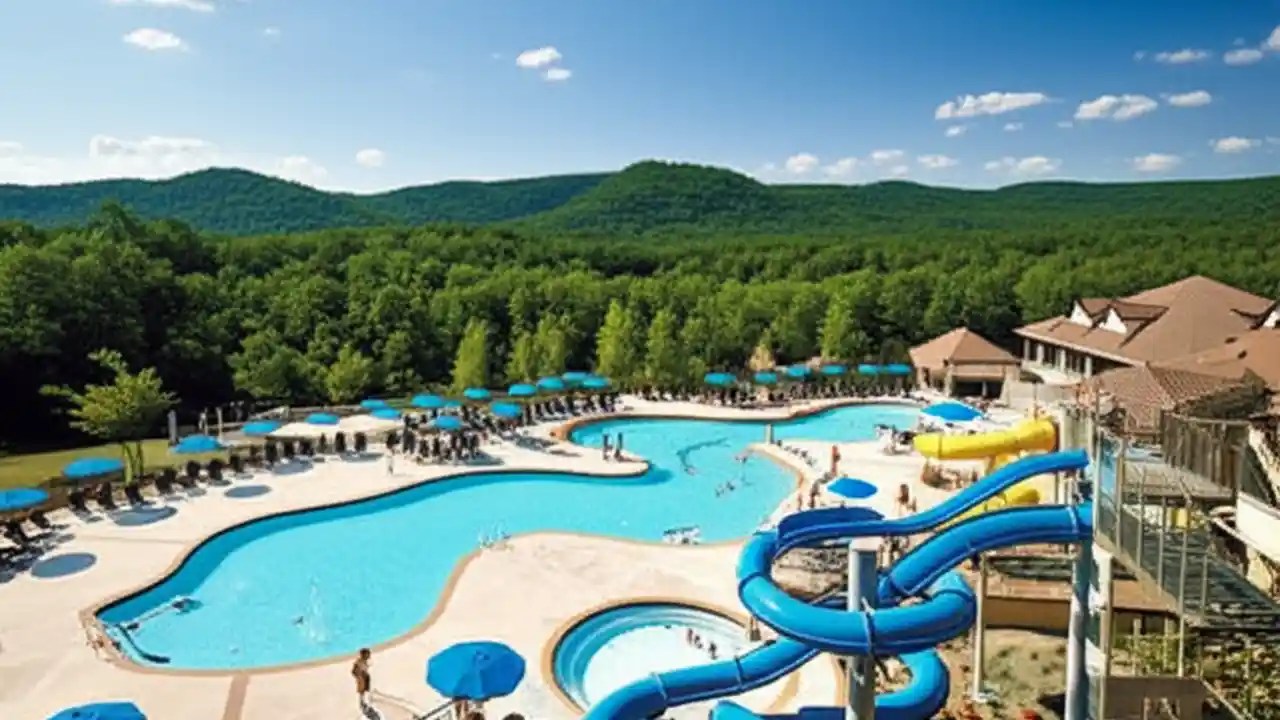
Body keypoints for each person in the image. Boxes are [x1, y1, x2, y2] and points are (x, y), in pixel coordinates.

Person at [352, 648, 373, 713]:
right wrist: (358, 676)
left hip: (366, 677)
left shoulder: (365, 661)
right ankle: (363, 703)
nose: (369, 656)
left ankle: (365, 703)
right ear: (363, 655)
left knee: (366, 690)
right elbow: (353, 671)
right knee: (362, 691)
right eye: (368, 655)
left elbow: (366, 667)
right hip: (361, 679)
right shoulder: (358, 662)